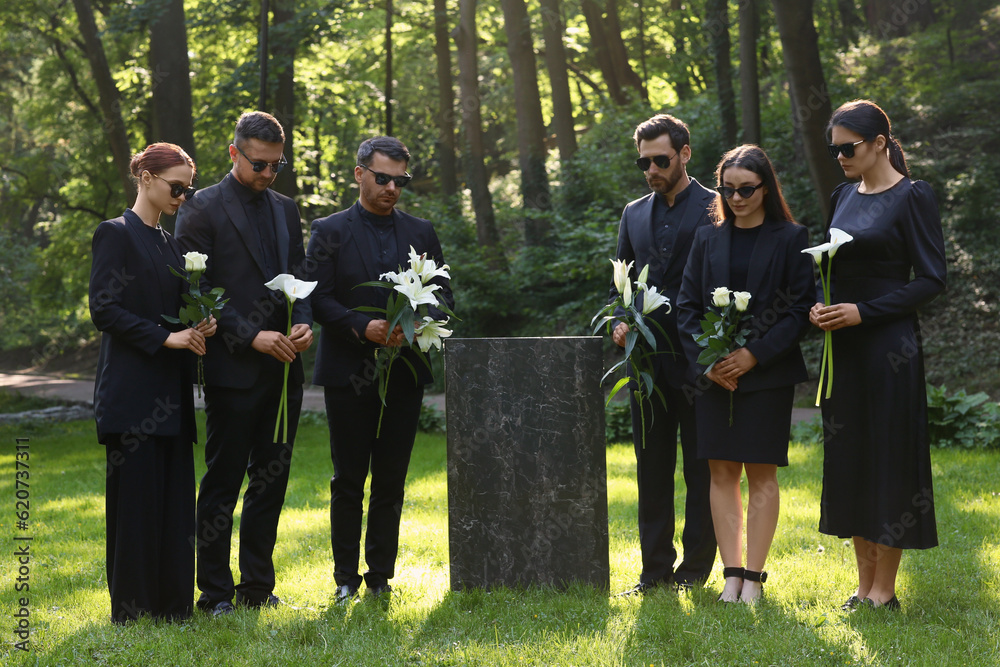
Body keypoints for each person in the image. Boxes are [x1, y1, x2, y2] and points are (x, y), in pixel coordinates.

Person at [175, 111, 313, 616]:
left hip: (285, 369)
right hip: (233, 368)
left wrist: (305, 323)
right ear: (234, 153)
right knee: (223, 480)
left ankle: (257, 587)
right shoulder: (201, 208)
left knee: (271, 479)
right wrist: (250, 335)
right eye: (259, 165)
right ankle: (213, 593)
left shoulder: (285, 208)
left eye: (276, 165)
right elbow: (196, 290)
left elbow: (301, 277)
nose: (268, 175)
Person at [811, 100, 945, 611]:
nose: (839, 156)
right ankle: (862, 583)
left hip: (890, 345)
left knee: (888, 456)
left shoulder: (914, 196)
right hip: (841, 347)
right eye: (834, 149)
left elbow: (932, 279)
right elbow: (829, 268)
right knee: (849, 457)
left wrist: (864, 312)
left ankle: (883, 590)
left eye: (848, 148)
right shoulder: (841, 195)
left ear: (879, 144)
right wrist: (819, 307)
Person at [306, 136, 453, 604]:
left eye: (400, 180)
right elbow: (318, 297)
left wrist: (414, 324)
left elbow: (445, 295)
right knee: (348, 477)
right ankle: (345, 577)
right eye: (383, 177)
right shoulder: (327, 230)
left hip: (406, 368)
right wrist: (360, 327)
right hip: (348, 370)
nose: (392, 187)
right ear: (359, 174)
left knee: (392, 477)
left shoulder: (421, 231)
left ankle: (380, 575)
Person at [677, 145, 814, 603]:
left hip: (767, 374)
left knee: (761, 474)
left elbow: (799, 310)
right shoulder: (706, 238)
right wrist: (710, 360)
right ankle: (731, 574)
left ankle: (753, 579)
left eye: (747, 189)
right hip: (714, 376)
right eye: (728, 189)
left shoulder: (793, 237)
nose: (737, 198)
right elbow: (687, 309)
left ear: (766, 187)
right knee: (719, 472)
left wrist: (754, 354)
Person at [90, 142, 216, 623]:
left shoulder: (171, 245)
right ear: (145, 176)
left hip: (172, 395)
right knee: (137, 505)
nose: (183, 197)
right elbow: (104, 309)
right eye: (176, 187)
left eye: (188, 188)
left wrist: (202, 325)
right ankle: (132, 609)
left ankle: (172, 607)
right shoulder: (115, 234)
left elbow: (181, 311)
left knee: (174, 504)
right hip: (132, 392)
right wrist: (167, 338)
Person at [609, 114, 717, 595]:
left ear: (685, 154)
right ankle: (653, 573)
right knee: (652, 471)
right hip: (647, 366)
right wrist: (618, 320)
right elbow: (621, 286)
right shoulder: (632, 213)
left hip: (700, 364)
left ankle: (695, 571)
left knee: (701, 469)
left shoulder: (719, 207)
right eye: (643, 161)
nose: (651, 168)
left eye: (660, 159)